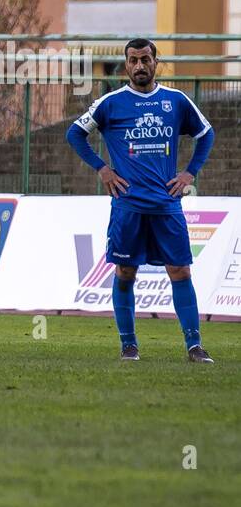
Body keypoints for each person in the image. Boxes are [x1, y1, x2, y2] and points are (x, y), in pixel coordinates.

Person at [66, 38, 215, 362]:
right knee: (125, 272)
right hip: (127, 204)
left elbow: (207, 134)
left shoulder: (175, 101)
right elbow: (74, 133)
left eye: (145, 59)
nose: (139, 66)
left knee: (180, 272)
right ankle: (128, 345)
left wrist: (189, 173)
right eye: (133, 60)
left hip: (166, 204)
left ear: (155, 62)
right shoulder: (111, 103)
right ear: (126, 65)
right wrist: (103, 169)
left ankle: (194, 346)